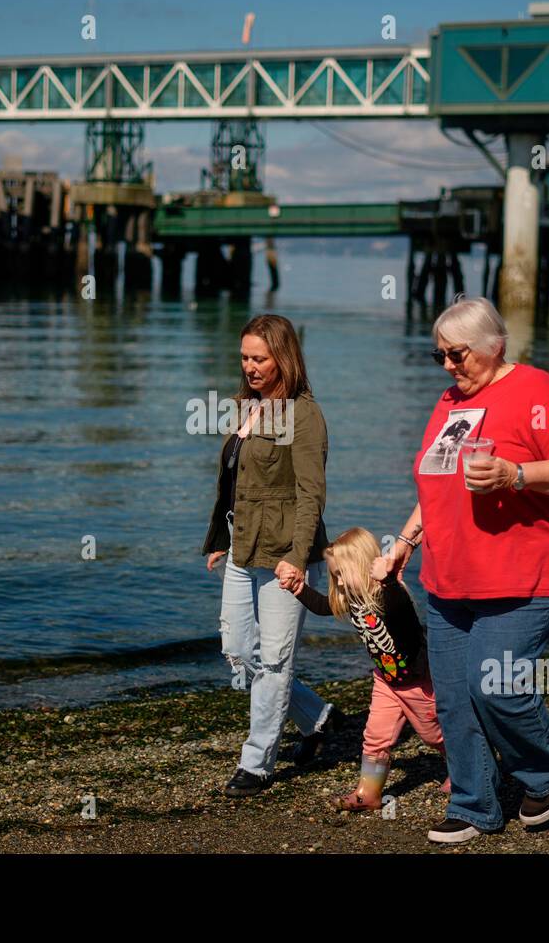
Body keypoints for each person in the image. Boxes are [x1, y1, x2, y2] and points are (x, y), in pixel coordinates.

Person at [385, 295, 549, 844]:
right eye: (440, 357)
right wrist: (408, 539)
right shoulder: (449, 402)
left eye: (458, 355)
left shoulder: (535, 390)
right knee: (454, 696)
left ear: (493, 346)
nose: (450, 366)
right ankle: (475, 803)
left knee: (494, 682)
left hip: (524, 570)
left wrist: (515, 475)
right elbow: (435, 482)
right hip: (450, 575)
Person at [202, 314, 343, 797]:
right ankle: (319, 718)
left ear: (284, 358)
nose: (250, 367)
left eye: (259, 358)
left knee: (275, 660)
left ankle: (257, 763)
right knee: (240, 653)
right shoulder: (248, 406)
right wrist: (220, 539)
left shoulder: (304, 415)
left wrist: (299, 557)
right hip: (243, 546)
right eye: (244, 357)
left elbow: (311, 495)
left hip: (285, 552)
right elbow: (237, 480)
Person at [285, 526, 448, 811]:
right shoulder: (353, 598)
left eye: (341, 573)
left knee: (434, 735)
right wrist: (300, 589)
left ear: (362, 565)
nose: (339, 581)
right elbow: (325, 606)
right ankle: (369, 792)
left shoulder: (388, 597)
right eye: (334, 575)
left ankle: (465, 770)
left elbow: (404, 617)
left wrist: (389, 582)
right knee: (374, 737)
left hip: (416, 681)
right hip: (385, 681)